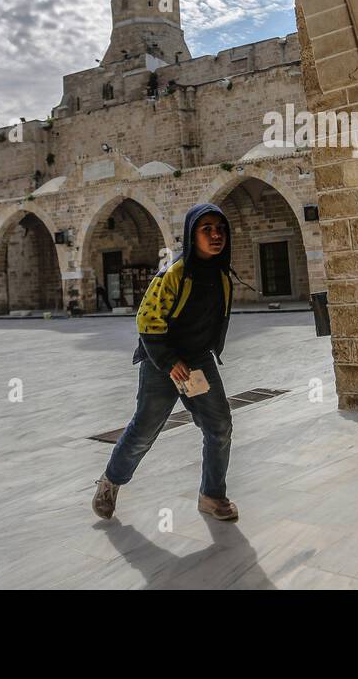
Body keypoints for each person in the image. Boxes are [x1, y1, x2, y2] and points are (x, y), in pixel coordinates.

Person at [92, 204, 238, 522]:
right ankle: (110, 482)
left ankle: (212, 495)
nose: (216, 235)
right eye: (207, 229)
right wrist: (169, 360)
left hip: (195, 365)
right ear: (191, 234)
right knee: (145, 429)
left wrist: (198, 357)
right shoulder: (174, 274)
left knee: (219, 426)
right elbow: (146, 319)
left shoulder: (222, 276)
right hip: (163, 363)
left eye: (221, 229)